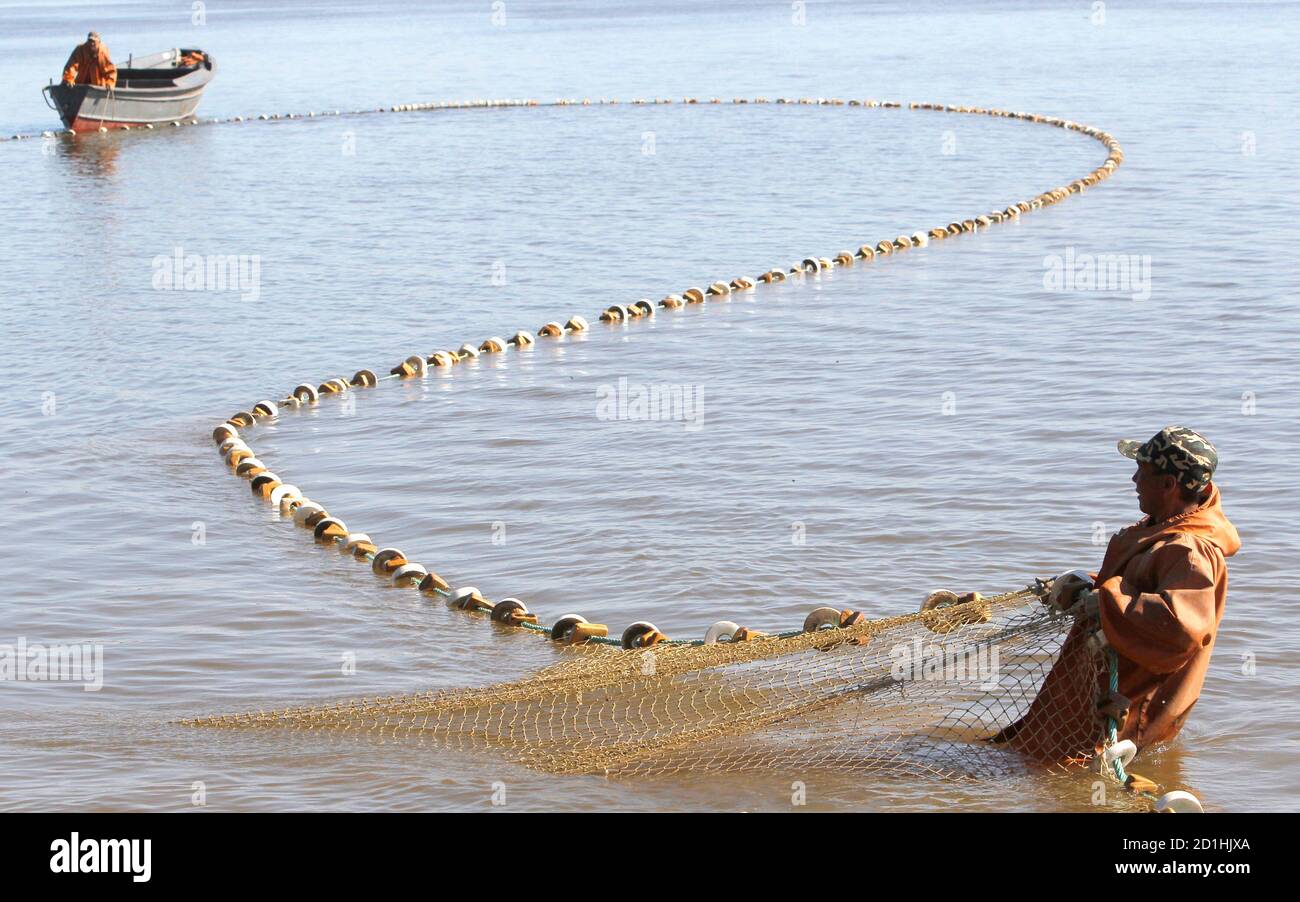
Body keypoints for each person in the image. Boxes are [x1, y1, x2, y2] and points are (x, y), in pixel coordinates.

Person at [992, 426, 1240, 765]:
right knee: (1035, 762)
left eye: (1142, 471)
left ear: (1168, 485)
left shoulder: (1188, 550)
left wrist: (1106, 600)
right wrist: (1087, 586)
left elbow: (1180, 627)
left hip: (1126, 715)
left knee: (1066, 772)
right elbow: (1137, 588)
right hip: (1104, 697)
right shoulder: (1162, 529)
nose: (1134, 479)